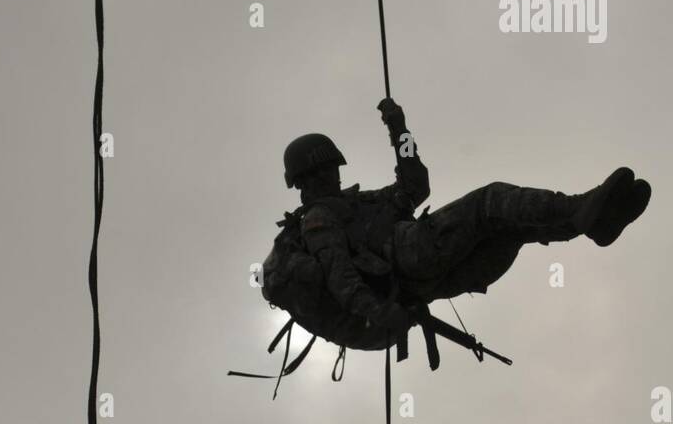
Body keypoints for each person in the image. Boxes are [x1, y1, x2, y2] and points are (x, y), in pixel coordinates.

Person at [266, 101, 651, 349]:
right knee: (490, 201)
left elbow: (414, 186)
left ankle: (592, 221)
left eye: (330, 168)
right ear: (306, 180)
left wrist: (399, 130)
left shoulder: (359, 203)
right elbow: (340, 276)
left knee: (509, 227)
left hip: (437, 279)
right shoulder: (320, 220)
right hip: (413, 260)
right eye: (322, 172)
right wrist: (381, 313)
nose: (330, 176)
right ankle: (581, 209)